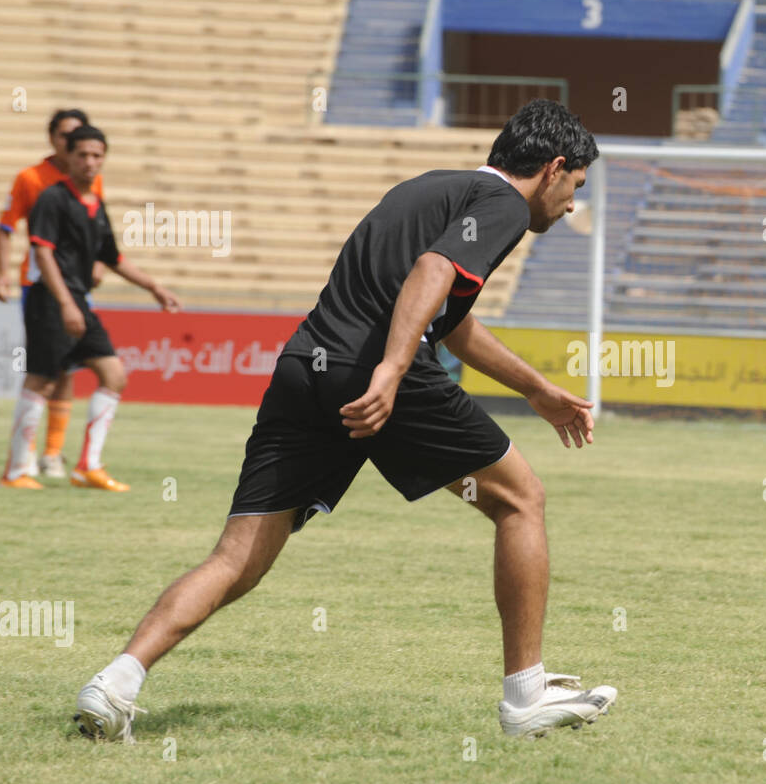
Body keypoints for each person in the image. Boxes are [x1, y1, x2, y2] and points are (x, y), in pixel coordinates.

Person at [73, 99, 616, 743]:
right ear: (553, 168)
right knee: (522, 500)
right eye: (575, 188)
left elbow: (450, 318)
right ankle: (526, 696)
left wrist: (536, 389)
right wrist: (389, 370)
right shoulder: (500, 204)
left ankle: (115, 683)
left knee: (237, 559)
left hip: (306, 366)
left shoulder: (426, 190)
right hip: (373, 372)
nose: (571, 205)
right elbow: (433, 272)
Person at [1, 125, 181, 491]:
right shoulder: (52, 198)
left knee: (114, 375)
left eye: (97, 155)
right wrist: (67, 303)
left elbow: (112, 256)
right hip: (51, 299)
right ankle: (17, 470)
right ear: (68, 156)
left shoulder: (96, 203)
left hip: (78, 300)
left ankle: (88, 466)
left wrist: (154, 286)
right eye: (82, 154)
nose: (89, 162)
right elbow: (42, 251)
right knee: (43, 378)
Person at [0, 108, 108, 479]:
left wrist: (100, 264)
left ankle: (53, 454)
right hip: (42, 285)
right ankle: (21, 462)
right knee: (47, 367)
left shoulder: (92, 180)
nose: (73, 143)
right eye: (66, 136)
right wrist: (2, 273)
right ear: (53, 138)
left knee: (70, 368)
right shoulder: (32, 179)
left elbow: (97, 233)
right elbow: (6, 227)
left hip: (79, 285)